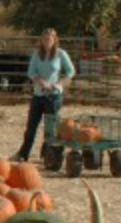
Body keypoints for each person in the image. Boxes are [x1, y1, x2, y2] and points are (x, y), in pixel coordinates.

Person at [12, 28, 75, 163]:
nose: (47, 41)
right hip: (38, 95)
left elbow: (71, 72)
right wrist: (41, 82)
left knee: (51, 127)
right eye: (45, 38)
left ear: (54, 40)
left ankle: (48, 155)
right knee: (31, 126)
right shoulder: (37, 55)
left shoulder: (60, 54)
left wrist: (60, 84)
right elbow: (31, 73)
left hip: (54, 96)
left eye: (50, 39)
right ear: (41, 40)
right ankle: (23, 154)